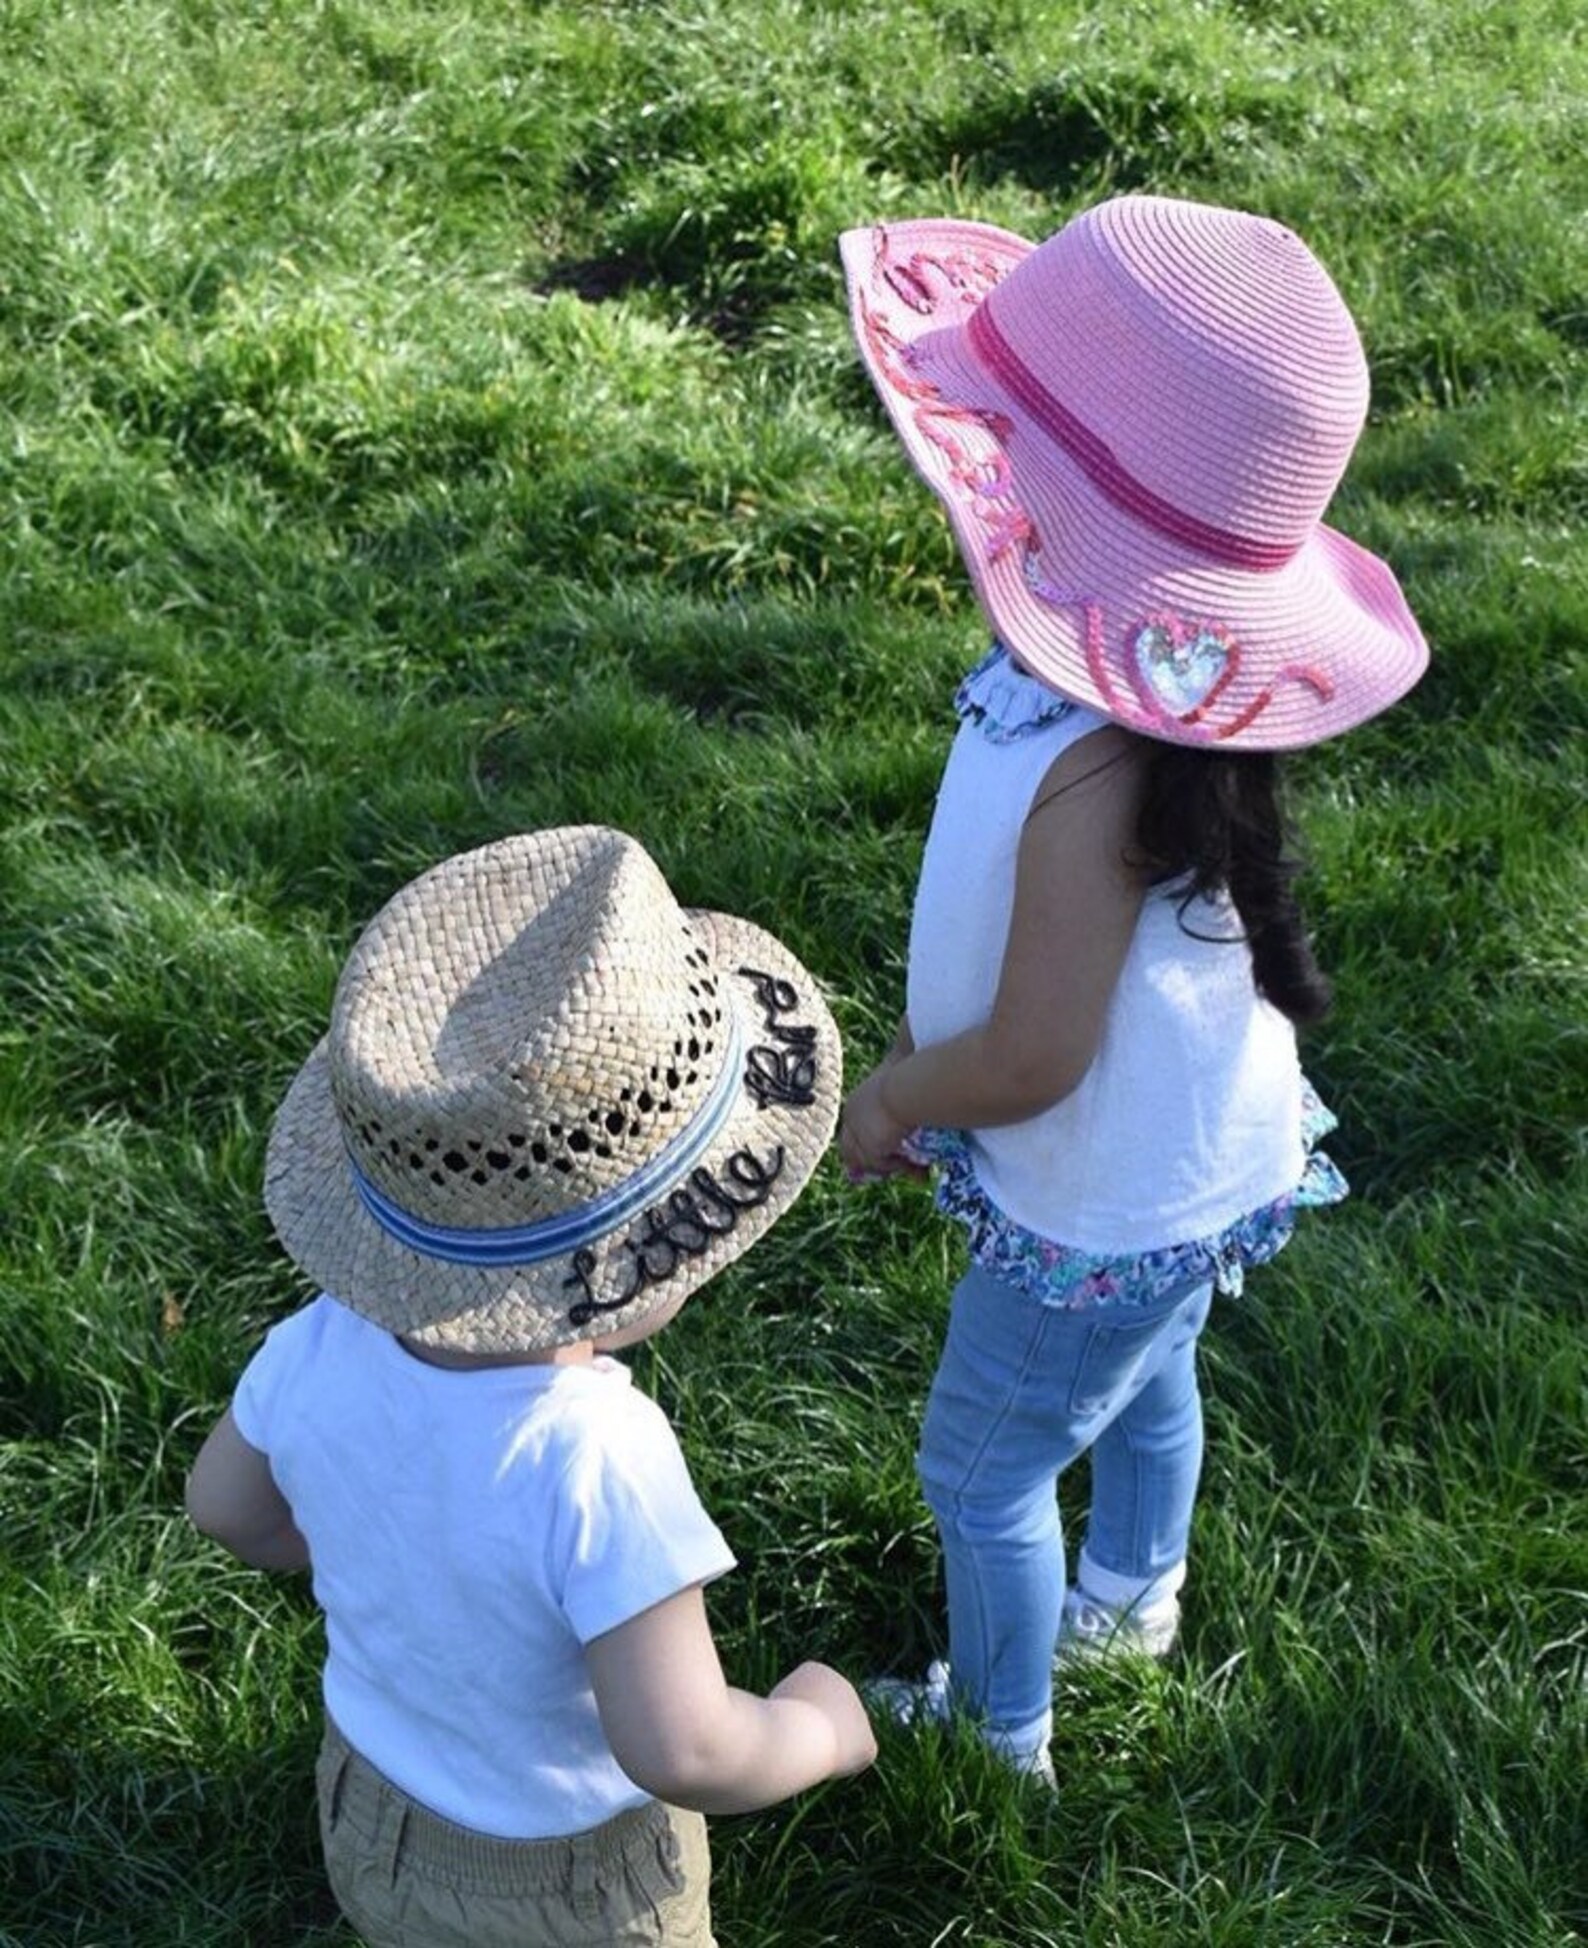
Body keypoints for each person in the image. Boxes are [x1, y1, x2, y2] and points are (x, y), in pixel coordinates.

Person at [835, 195, 1428, 1782]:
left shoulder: (1093, 767)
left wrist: (897, 1092)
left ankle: (996, 1735)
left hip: (1096, 1190)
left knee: (981, 1465)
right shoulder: (1120, 715)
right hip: (1185, 1164)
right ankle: (1133, 1600)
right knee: (1152, 1371)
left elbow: (1032, 1055)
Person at [186, 826, 875, 1947]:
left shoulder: (322, 1340)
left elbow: (223, 1506)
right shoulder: (596, 1452)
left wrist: (387, 1545)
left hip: (374, 1818)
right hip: (573, 1889)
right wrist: (818, 1725)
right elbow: (684, 1748)